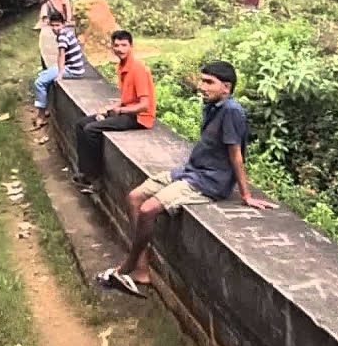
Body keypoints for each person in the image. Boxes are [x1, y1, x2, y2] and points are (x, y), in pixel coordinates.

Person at [96, 60, 277, 297]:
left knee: (149, 209)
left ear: (226, 87)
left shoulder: (232, 112)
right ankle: (141, 269)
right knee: (134, 197)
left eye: (209, 82)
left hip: (208, 181)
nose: (202, 86)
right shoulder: (212, 106)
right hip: (191, 170)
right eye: (202, 81)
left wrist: (246, 194)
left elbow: (236, 154)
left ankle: (126, 267)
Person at [71, 30, 156, 194]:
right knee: (81, 124)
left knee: (91, 129)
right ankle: (85, 173)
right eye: (116, 45)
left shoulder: (138, 69)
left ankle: (97, 180)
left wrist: (121, 109)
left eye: (124, 45)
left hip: (139, 117)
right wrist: (110, 109)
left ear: (131, 46)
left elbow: (145, 105)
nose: (120, 49)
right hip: (126, 111)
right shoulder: (121, 67)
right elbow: (126, 98)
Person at [31, 10, 84, 130]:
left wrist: (60, 74)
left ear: (63, 24)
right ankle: (45, 107)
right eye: (53, 26)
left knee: (39, 83)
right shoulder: (66, 32)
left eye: (58, 25)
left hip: (72, 69)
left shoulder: (63, 36)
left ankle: (41, 116)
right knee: (42, 74)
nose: (55, 28)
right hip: (70, 66)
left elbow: (61, 55)